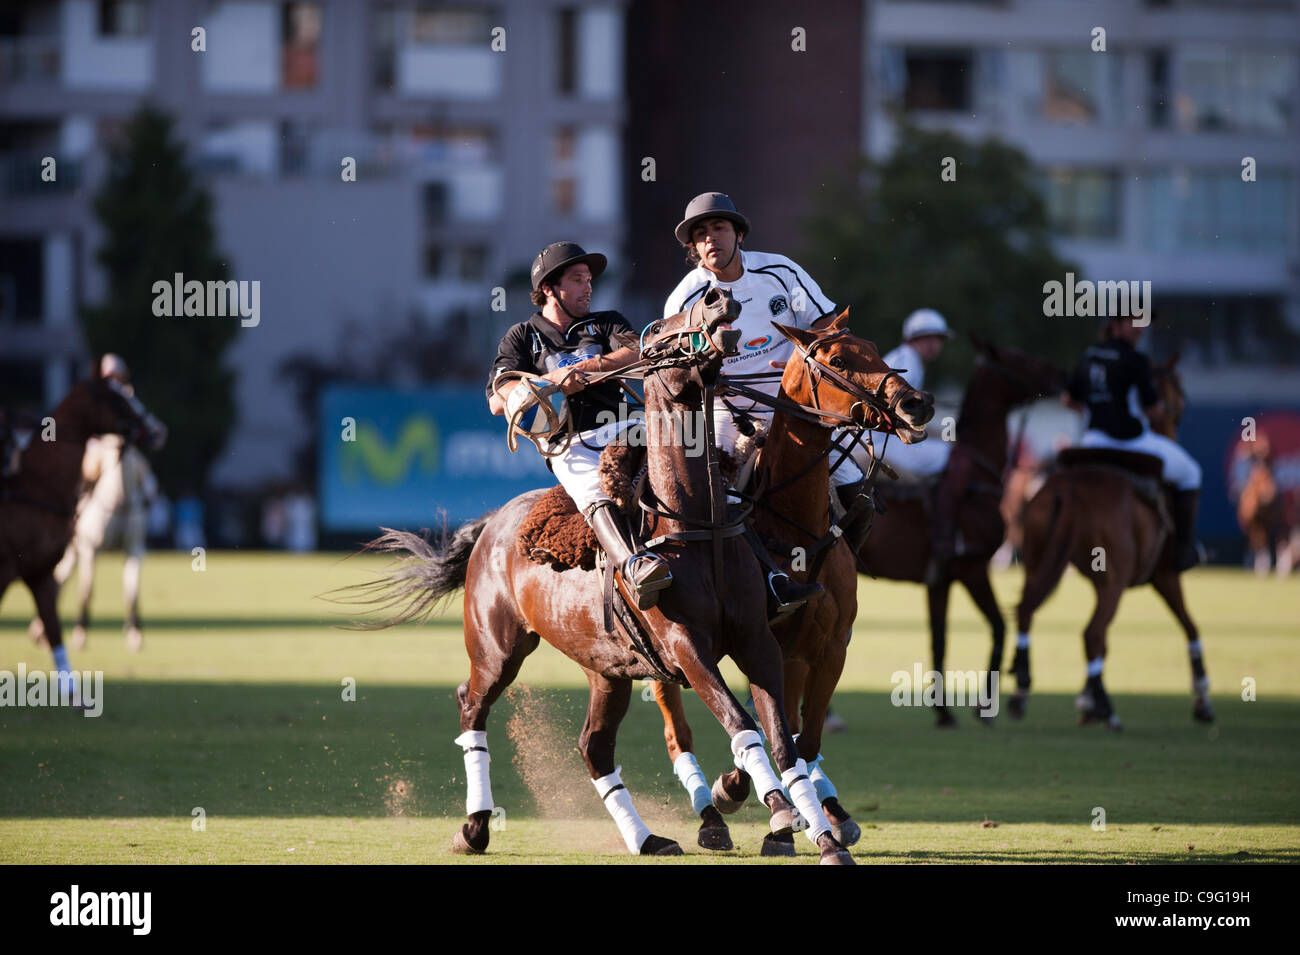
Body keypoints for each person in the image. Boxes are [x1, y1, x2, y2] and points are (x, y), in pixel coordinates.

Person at [663, 192, 869, 616]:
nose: (710, 240)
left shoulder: (778, 271)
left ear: (738, 233)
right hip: (727, 409)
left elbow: (828, 326)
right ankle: (750, 587)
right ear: (694, 248)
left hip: (794, 405)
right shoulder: (686, 297)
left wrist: (801, 356)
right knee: (717, 503)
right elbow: (674, 366)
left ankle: (838, 575)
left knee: (857, 492)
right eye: (700, 235)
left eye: (718, 228)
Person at [488, 241, 671, 610]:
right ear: (549, 289)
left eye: (589, 280)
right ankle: (634, 565)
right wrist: (549, 381)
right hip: (572, 443)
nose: (588, 287)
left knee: (689, 459)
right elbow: (497, 397)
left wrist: (585, 369)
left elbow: (636, 352)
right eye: (577, 279)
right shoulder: (522, 336)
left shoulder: (606, 322)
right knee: (592, 489)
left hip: (625, 427)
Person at [1065, 315, 1202, 570]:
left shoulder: (1089, 355)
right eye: (1133, 322)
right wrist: (1161, 410)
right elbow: (1152, 409)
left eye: (1142, 322)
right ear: (1115, 325)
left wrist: (1098, 407)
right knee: (1192, 473)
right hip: (1130, 442)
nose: (1140, 328)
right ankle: (1183, 550)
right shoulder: (1137, 360)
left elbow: (1069, 401)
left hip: (1092, 442)